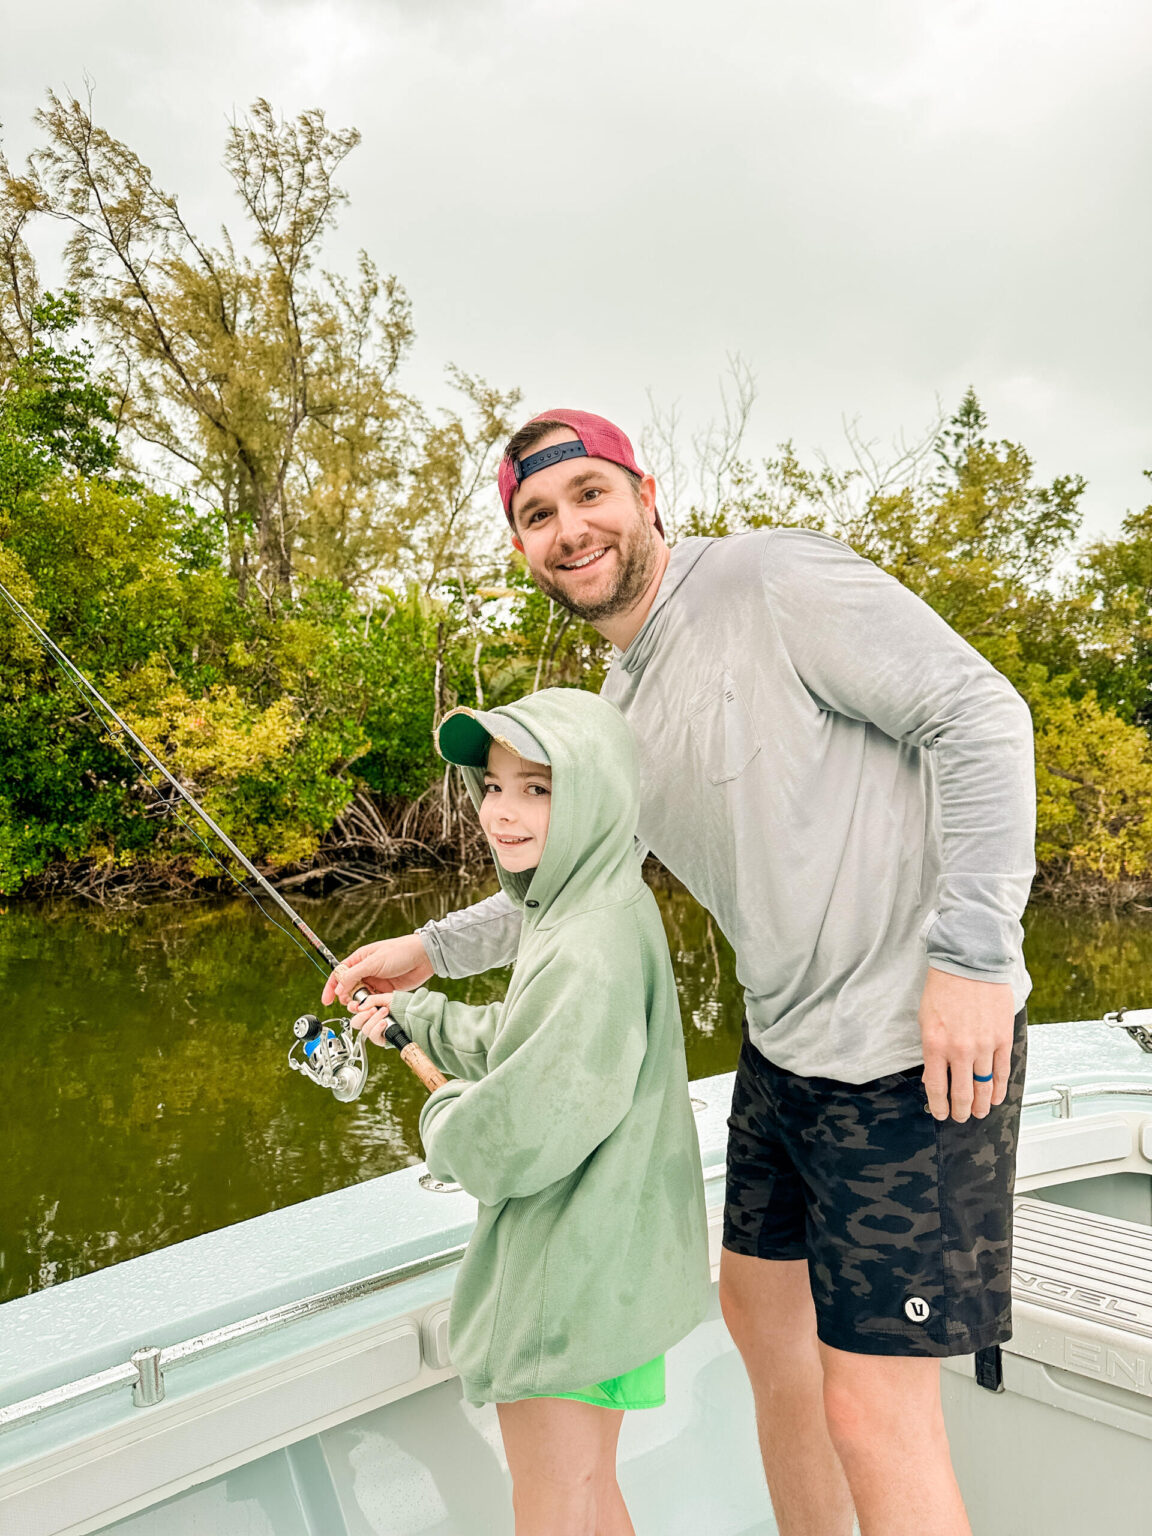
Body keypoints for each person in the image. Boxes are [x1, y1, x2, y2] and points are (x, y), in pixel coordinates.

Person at [330, 409, 1036, 1536]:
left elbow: (980, 715)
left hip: (913, 1056)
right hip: (782, 1057)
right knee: (764, 1333)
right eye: (537, 516)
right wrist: (426, 951)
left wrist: (972, 959)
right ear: (522, 548)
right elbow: (580, 865)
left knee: (874, 1415)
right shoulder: (621, 709)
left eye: (589, 497)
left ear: (645, 494)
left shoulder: (770, 578)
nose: (570, 530)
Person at [326, 686, 710, 1536]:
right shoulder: (593, 900)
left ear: (598, 796)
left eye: (539, 788)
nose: (504, 810)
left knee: (552, 1511)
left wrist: (446, 1115)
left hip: (566, 1277)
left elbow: (509, 1141)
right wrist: (418, 1017)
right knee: (590, 1497)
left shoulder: (584, 942)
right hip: (615, 1258)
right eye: (495, 785)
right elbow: (542, 1042)